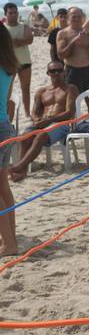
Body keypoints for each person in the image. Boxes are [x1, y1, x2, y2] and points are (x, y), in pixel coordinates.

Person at [8, 60, 81, 182]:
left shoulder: (70, 89)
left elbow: (69, 113)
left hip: (61, 123)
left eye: (59, 70)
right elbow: (34, 112)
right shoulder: (42, 91)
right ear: (48, 73)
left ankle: (20, 165)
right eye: (53, 71)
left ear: (64, 72)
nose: (56, 73)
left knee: (41, 136)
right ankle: (23, 171)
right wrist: (37, 120)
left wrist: (49, 120)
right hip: (43, 123)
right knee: (25, 137)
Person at [0, 24, 19, 255]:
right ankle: (9, 239)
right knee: (3, 188)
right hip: (5, 125)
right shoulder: (9, 67)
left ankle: (10, 243)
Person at [55, 7, 89, 94]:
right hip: (72, 71)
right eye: (74, 17)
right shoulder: (63, 33)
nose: (76, 19)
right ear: (68, 18)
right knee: (72, 100)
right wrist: (74, 41)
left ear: (83, 17)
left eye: (79, 16)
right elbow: (61, 55)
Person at [3, 3, 33, 116]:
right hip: (8, 63)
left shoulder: (24, 26)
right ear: (5, 14)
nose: (13, 15)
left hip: (24, 62)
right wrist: (18, 41)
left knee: (25, 88)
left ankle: (27, 113)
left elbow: (29, 39)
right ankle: (5, 113)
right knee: (7, 90)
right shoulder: (3, 29)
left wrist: (13, 42)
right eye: (10, 13)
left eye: (15, 12)